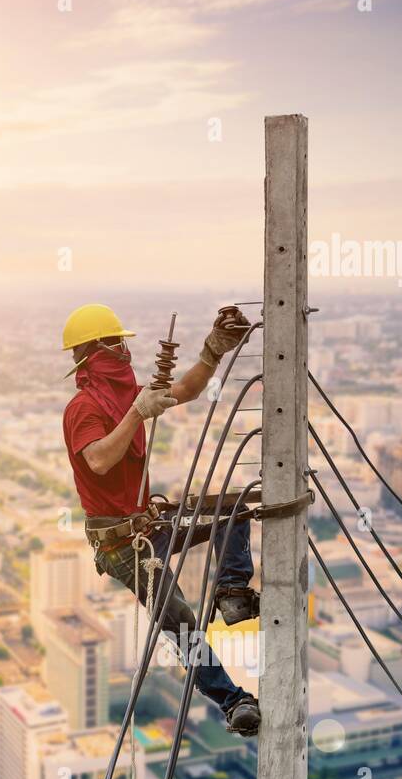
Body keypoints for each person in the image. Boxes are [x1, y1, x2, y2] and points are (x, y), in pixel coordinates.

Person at [59, 303, 261, 736]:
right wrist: (137, 413)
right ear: (91, 353)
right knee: (179, 619)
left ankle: (231, 592)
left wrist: (213, 350)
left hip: (150, 527)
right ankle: (233, 701)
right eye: (114, 344)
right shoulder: (83, 409)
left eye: (122, 344)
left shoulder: (124, 394)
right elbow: (97, 460)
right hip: (123, 547)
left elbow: (184, 389)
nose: (123, 352)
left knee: (233, 510)